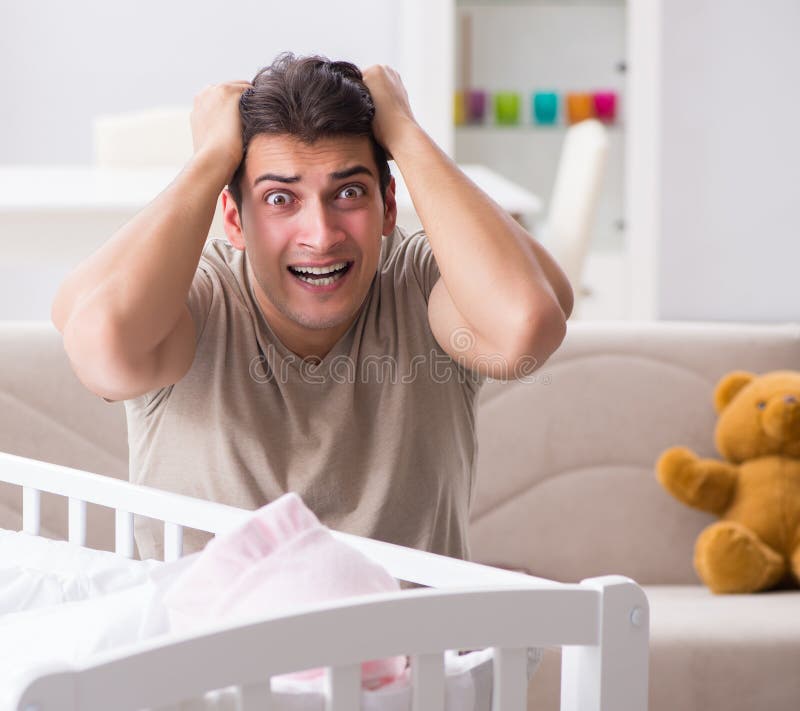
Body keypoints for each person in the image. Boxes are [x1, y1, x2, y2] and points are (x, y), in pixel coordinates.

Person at [52, 53, 573, 561]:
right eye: (281, 199)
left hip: (408, 645)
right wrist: (210, 157)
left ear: (388, 206)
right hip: (211, 647)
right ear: (233, 219)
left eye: (349, 192)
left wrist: (407, 135)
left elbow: (526, 324)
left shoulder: (423, 282)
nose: (321, 236)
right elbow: (103, 345)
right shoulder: (194, 296)